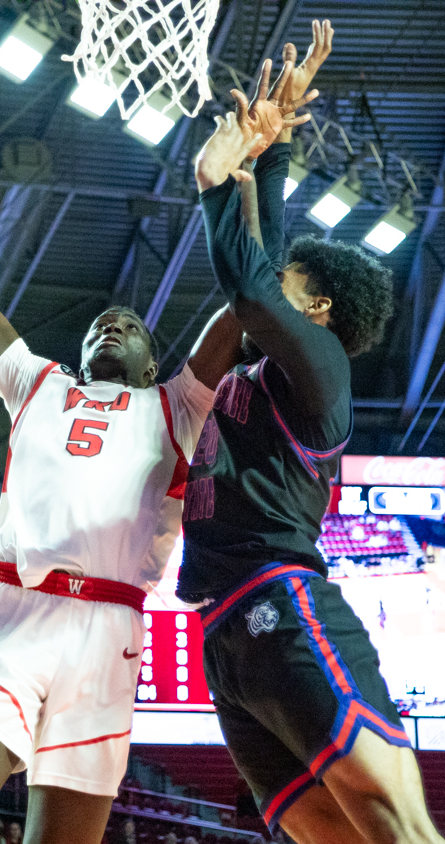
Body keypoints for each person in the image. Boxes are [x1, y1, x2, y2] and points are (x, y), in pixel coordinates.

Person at [0, 91, 293, 843]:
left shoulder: (179, 404)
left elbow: (245, 302)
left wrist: (254, 178)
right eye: (101, 323)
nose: (112, 325)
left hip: (107, 635)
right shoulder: (38, 382)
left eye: (128, 325)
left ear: (152, 359)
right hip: (8, 613)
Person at [177, 19, 445, 844]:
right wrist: (270, 152)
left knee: (395, 826)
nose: (267, 281)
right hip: (224, 634)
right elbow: (268, 264)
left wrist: (217, 182)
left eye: (290, 282)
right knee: (326, 837)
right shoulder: (276, 366)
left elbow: (255, 288)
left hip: (282, 604)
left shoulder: (322, 364)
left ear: (318, 310)